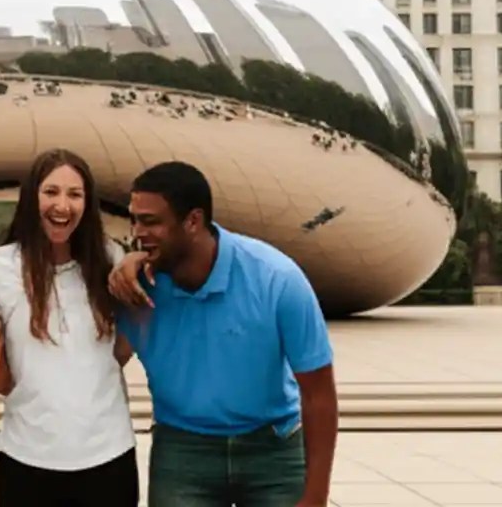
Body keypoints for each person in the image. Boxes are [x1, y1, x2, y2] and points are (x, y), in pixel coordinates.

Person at [108, 161, 338, 507]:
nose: (137, 233)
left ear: (193, 221)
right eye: (135, 219)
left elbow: (319, 394)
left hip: (272, 447)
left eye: (151, 221)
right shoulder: (137, 289)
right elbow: (101, 365)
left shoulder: (276, 278)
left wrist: (316, 497)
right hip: (183, 450)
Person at [0, 149, 139, 507]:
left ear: (87, 203)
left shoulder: (110, 260)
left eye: (74, 194)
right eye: (50, 192)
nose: (61, 205)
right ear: (31, 197)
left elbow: (123, 346)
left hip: (108, 454)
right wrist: (30, 389)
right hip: (26, 457)